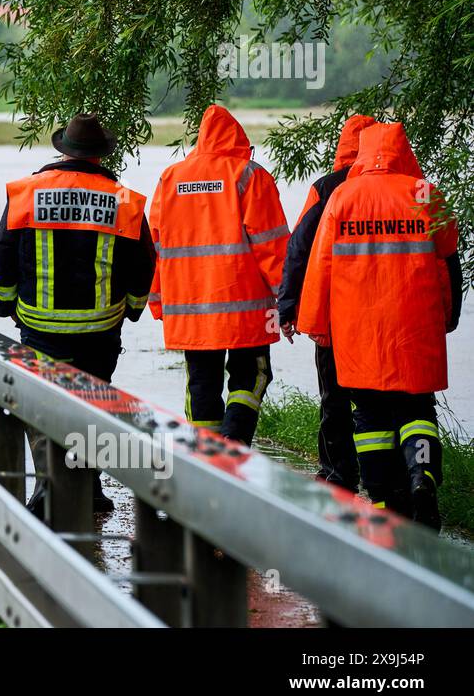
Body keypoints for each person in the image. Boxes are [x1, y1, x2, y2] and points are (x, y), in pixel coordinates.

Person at [298, 122, 462, 530]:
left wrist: (318, 327)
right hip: (416, 328)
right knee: (417, 410)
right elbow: (450, 263)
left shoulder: (342, 196)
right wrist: (448, 314)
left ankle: (386, 499)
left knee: (369, 417)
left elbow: (321, 270)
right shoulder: (426, 194)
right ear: (402, 152)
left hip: (360, 334)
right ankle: (421, 478)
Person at [0, 113, 156, 514]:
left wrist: (5, 304)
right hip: (100, 330)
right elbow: (143, 261)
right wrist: (132, 310)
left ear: (62, 150)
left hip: (39, 326)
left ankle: (48, 489)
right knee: (93, 403)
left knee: (42, 405)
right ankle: (90, 489)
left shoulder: (27, 192)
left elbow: (3, 252)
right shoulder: (124, 199)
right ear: (100, 156)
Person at [148, 104, 289, 445]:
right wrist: (289, 302)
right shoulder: (249, 176)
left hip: (190, 310)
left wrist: (158, 302)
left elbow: (155, 244)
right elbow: (272, 247)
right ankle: (234, 446)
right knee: (252, 377)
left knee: (201, 383)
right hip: (246, 311)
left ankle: (208, 462)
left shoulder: (170, 178)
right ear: (239, 141)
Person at [276, 115, 376, 492]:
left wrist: (287, 307)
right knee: (378, 401)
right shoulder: (405, 191)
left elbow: (297, 250)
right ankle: (385, 478)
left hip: (333, 316)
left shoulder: (326, 188)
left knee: (334, 396)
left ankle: (339, 473)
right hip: (386, 317)